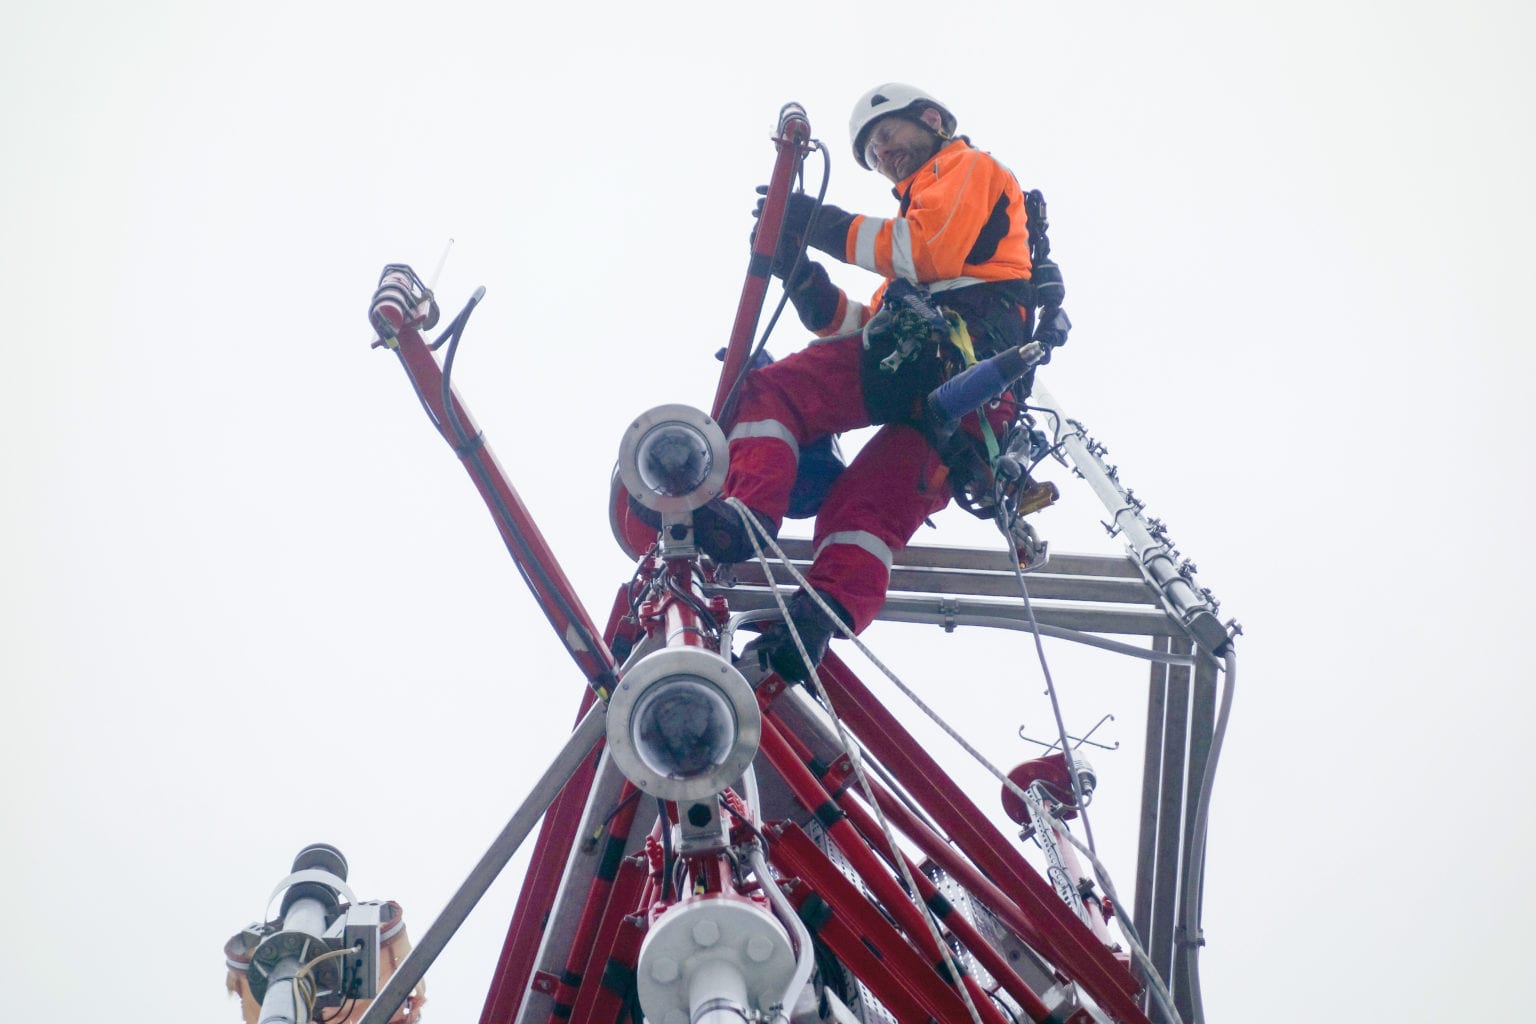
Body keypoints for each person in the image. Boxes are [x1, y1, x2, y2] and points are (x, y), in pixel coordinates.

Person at [702, 83, 1046, 681]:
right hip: (955, 385)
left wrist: (814, 221)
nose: (884, 155)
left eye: (887, 137)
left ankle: (760, 536)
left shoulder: (967, 167)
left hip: (946, 357)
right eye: (873, 153)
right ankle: (805, 616)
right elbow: (866, 324)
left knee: (775, 399)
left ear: (933, 121)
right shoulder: (917, 252)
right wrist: (802, 278)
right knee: (864, 508)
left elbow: (925, 251)